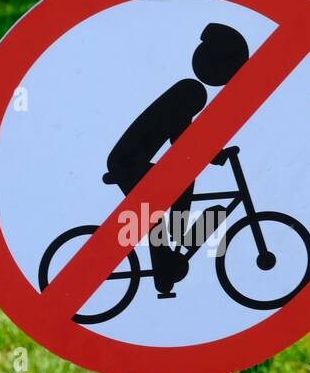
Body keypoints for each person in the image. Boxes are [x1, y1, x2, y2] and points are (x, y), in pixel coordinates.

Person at [103, 22, 249, 297]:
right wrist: (214, 156)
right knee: (156, 209)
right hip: (126, 162)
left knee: (181, 181)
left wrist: (211, 155)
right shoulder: (191, 91)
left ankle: (175, 251)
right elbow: (182, 139)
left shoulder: (190, 90)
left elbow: (183, 140)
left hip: (129, 160)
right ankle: (165, 269)